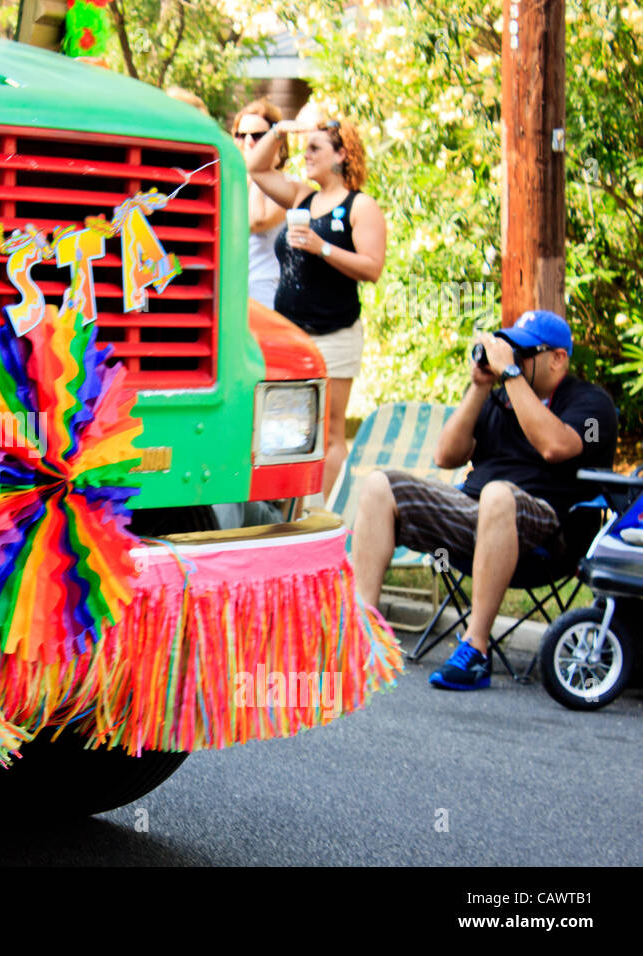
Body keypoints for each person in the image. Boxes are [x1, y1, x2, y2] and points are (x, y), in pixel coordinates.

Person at [350, 310, 618, 690]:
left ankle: (475, 650)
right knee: (381, 485)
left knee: (497, 495)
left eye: (524, 353)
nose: (513, 360)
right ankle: (364, 633)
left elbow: (556, 447)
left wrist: (511, 377)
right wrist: (478, 388)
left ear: (558, 358)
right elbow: (446, 456)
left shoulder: (593, 405)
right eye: (510, 351)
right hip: (475, 522)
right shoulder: (497, 399)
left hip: (549, 534)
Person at [245, 117, 387, 499]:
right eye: (304, 147)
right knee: (276, 422)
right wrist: (281, 129)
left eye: (315, 149)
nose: (305, 155)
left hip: (335, 334)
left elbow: (372, 268)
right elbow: (255, 167)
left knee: (329, 427)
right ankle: (282, 505)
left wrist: (320, 247)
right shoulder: (299, 197)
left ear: (341, 155)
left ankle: (315, 511)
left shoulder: (360, 206)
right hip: (290, 337)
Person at [231, 99, 289, 307]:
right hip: (230, 288)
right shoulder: (228, 182)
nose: (248, 141)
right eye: (241, 135)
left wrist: (258, 173)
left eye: (257, 136)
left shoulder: (287, 184)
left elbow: (256, 221)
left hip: (266, 289)